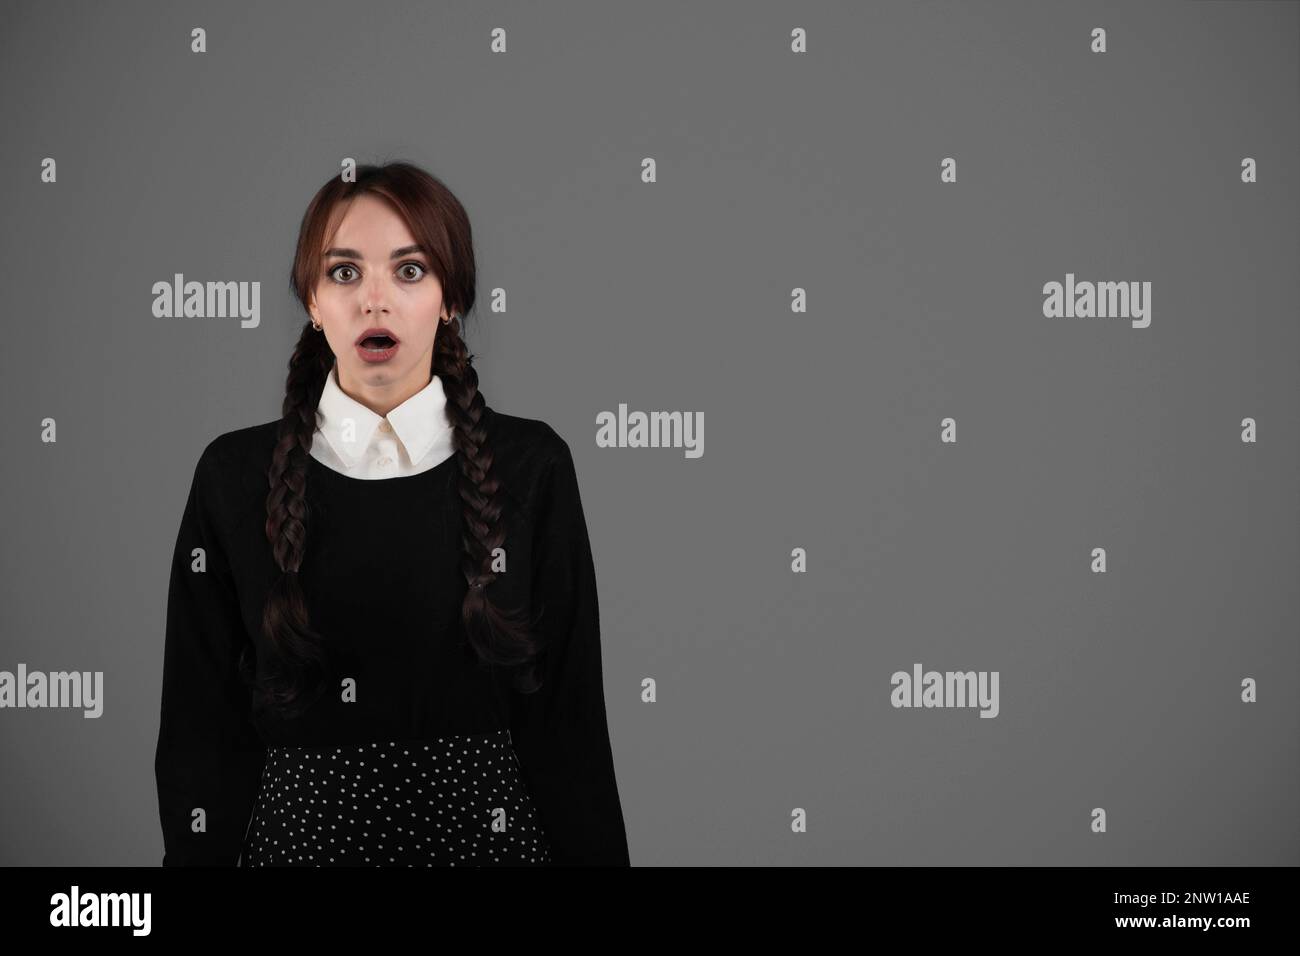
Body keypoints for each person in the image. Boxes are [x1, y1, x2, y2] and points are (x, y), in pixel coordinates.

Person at [153, 161, 630, 867]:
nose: (375, 300)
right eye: (344, 273)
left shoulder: (533, 466)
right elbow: (201, 733)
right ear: (312, 301)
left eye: (409, 272)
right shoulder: (232, 475)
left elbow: (569, 726)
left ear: (449, 298)